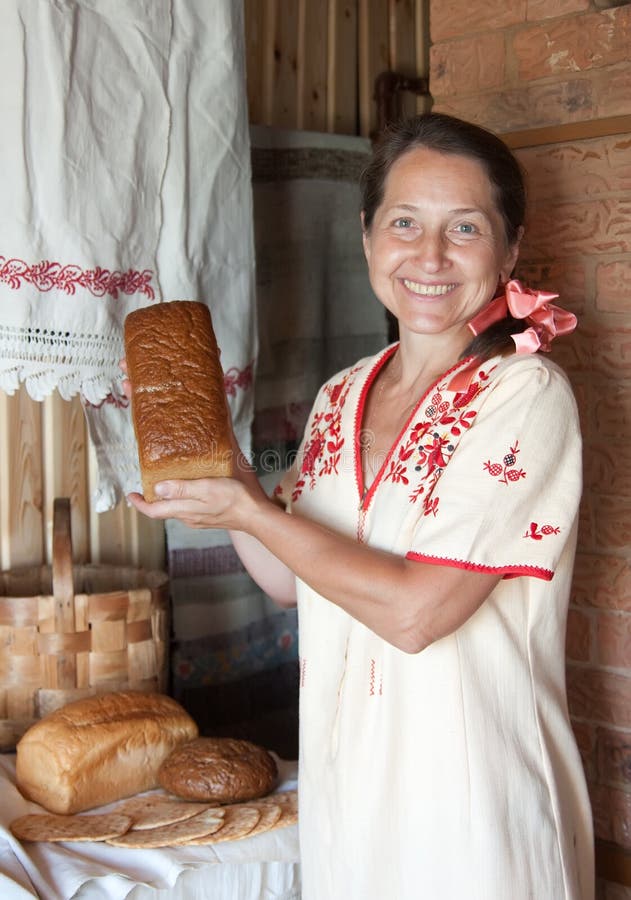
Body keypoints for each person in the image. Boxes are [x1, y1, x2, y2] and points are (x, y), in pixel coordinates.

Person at [127, 112, 595, 900]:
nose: (430, 255)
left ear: (509, 249)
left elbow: (415, 614)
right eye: (404, 222)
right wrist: (225, 468)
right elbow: (288, 578)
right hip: (344, 797)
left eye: (465, 227)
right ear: (367, 234)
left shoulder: (524, 395)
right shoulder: (341, 394)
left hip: (472, 807)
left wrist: (250, 513)